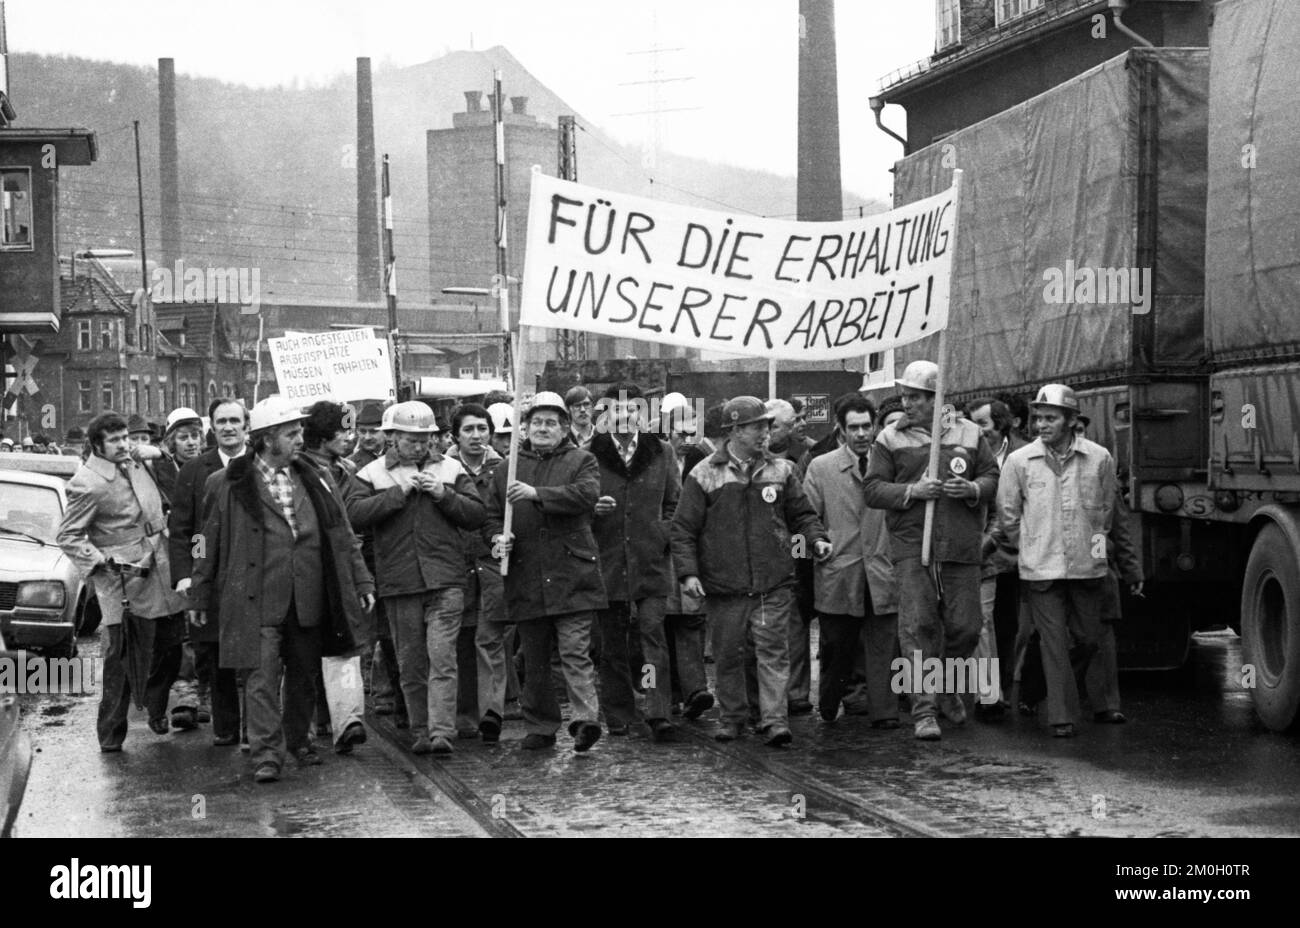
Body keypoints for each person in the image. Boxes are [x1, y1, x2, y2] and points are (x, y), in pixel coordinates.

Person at [190, 396, 376, 782]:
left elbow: (342, 535)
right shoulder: (226, 483)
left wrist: (361, 580)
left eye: (299, 432)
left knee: (304, 675)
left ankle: (299, 742)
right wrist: (198, 590)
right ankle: (266, 754)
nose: (299, 439)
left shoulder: (316, 476)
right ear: (266, 438)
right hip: (253, 598)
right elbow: (203, 540)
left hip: (307, 594)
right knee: (259, 678)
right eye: (291, 433)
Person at [672, 396, 831, 747]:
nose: (765, 433)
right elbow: (683, 529)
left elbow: (802, 514)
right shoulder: (703, 474)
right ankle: (732, 718)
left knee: (772, 651)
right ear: (736, 430)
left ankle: (774, 720)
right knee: (729, 655)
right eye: (758, 426)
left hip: (772, 582)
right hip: (723, 586)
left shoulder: (782, 470)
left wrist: (815, 539)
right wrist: (688, 574)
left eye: (767, 426)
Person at [863, 360, 999, 741]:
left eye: (917, 397)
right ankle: (924, 710)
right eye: (905, 395)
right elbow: (872, 490)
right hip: (911, 544)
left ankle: (946, 687)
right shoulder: (889, 439)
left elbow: (991, 477)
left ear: (938, 399)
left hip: (960, 544)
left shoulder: (970, 433)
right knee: (917, 627)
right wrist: (912, 492)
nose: (908, 403)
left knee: (967, 628)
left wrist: (971, 489)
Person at [346, 401, 485, 755]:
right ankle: (420, 730)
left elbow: (475, 514)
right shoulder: (372, 473)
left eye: (425, 439)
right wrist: (399, 493)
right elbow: (354, 514)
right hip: (399, 582)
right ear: (392, 437)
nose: (420, 446)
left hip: (446, 580)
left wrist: (442, 494)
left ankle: (441, 732)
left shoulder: (451, 469)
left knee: (442, 658)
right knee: (410, 662)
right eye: (411, 439)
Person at [994, 384, 1129, 738]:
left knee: (1087, 639)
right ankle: (1062, 717)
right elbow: (1007, 515)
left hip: (1087, 567)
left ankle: (1042, 690)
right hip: (1041, 568)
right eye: (1038, 418)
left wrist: (1099, 560)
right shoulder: (1019, 461)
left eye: (1050, 418)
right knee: (1053, 642)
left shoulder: (1099, 458)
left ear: (1071, 420)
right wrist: (1030, 547)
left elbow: (1106, 515)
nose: (1041, 424)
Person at [57, 411, 188, 751]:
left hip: (160, 563)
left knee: (172, 641)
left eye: (124, 437)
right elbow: (68, 536)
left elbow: (175, 465)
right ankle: (111, 735)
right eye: (114, 440)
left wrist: (157, 453)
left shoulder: (136, 461)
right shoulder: (87, 482)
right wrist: (99, 563)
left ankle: (157, 707)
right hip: (122, 577)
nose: (123, 444)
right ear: (97, 445)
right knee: (121, 655)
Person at [484, 391, 606, 752]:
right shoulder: (507, 468)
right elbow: (491, 514)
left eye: (550, 422)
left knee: (574, 651)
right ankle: (540, 725)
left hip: (572, 573)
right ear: (525, 427)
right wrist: (497, 538)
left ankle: (585, 720)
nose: (542, 428)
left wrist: (537, 493)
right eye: (536, 422)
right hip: (526, 574)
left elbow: (585, 496)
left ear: (564, 427)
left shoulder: (583, 460)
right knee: (533, 658)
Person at [589, 384, 680, 741]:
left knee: (652, 637)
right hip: (607, 558)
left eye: (631, 410)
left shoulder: (662, 452)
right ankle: (619, 712)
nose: (624, 416)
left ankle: (657, 711)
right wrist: (592, 511)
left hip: (649, 559)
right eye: (616, 410)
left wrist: (661, 533)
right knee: (610, 642)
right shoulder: (589, 454)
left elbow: (675, 501)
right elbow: (579, 502)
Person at [803, 394, 899, 726]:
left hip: (882, 569)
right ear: (841, 430)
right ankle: (828, 704)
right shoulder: (821, 466)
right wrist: (817, 543)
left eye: (866, 426)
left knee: (883, 646)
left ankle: (884, 712)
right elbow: (807, 516)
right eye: (853, 427)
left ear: (874, 427)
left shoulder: (890, 464)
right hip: (839, 571)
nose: (861, 434)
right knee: (837, 649)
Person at [169, 398, 248, 746]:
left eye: (234, 420)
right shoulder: (194, 471)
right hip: (211, 576)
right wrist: (190, 573)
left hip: (251, 572)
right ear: (212, 428)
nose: (228, 427)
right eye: (221, 422)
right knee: (216, 656)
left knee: (254, 654)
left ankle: (256, 728)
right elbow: (189, 529)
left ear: (245, 425)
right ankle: (227, 727)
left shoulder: (257, 464)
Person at [446, 403, 515, 742]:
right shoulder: (443, 469)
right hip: (455, 566)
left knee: (489, 639)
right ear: (455, 435)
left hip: (491, 565)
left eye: (482, 429)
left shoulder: (504, 469)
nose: (477, 436)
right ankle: (463, 715)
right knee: (460, 642)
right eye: (469, 430)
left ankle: (492, 713)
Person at [969, 397, 1029, 717]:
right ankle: (990, 692)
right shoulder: (964, 455)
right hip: (987, 557)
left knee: (1011, 627)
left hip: (1017, 555)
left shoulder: (1023, 454)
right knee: (984, 624)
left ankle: (1003, 689)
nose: (978, 431)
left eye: (983, 424)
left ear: (1000, 425)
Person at [659, 396, 714, 720]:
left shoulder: (703, 460)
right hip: (661, 555)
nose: (686, 439)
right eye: (680, 433)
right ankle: (669, 695)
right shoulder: (655, 460)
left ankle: (696, 690)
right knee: (663, 622)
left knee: (691, 619)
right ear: (668, 432)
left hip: (693, 553)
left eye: (691, 432)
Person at [156, 405, 206, 732]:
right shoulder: (161, 471)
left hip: (207, 549)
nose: (190, 443)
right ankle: (186, 694)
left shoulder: (211, 467)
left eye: (195, 437)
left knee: (208, 624)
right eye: (183, 438)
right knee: (184, 626)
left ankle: (208, 690)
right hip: (174, 554)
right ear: (171, 442)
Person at [766, 398, 816, 715]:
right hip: (761, 555)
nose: (770, 431)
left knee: (795, 625)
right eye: (767, 425)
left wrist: (798, 559)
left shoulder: (803, 458)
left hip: (792, 553)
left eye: (778, 426)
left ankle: (797, 691)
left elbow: (802, 515)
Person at [350, 402, 388, 470]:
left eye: (373, 431)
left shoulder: (401, 457)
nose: (367, 437)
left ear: (385, 431)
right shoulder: (350, 465)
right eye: (363, 431)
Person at [565, 385, 596, 449]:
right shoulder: (562, 439)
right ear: (568, 409)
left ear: (593, 407)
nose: (583, 410)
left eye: (586, 404)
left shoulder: (604, 437)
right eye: (577, 405)